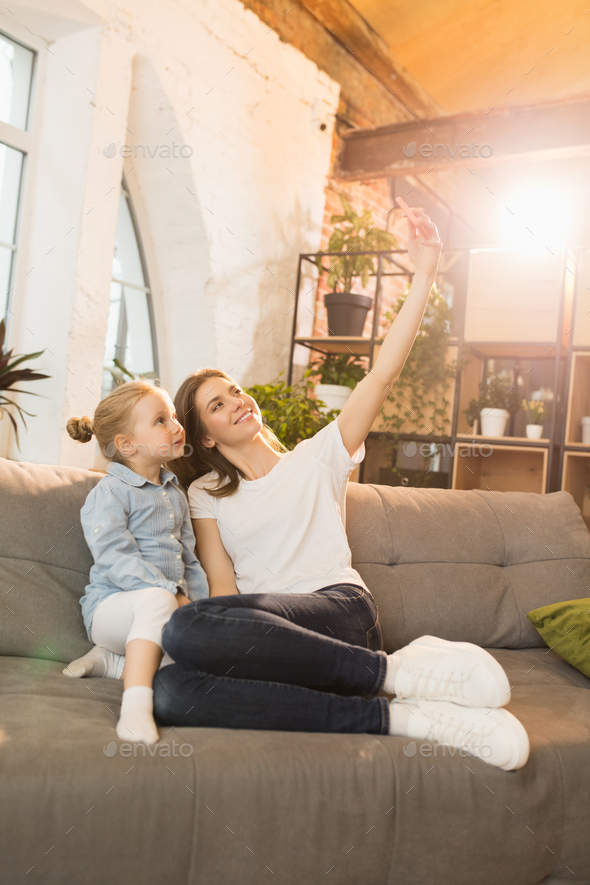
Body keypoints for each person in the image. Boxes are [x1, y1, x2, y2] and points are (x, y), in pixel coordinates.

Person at [153, 209, 530, 771]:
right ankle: (405, 716)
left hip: (340, 612)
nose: (238, 400)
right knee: (171, 694)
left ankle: (393, 672)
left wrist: (424, 275)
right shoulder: (204, 493)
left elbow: (379, 376)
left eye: (234, 390)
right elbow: (223, 592)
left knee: (185, 629)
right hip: (271, 635)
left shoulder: (318, 456)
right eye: (217, 403)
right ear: (204, 436)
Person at [63, 381, 209, 744]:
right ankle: (134, 707)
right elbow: (114, 558)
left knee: (200, 652)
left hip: (165, 608)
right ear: (127, 445)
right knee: (157, 601)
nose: (176, 425)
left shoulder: (175, 493)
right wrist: (169, 593)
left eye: (174, 416)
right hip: (110, 611)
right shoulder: (110, 493)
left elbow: (189, 558)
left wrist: (200, 610)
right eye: (161, 420)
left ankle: (114, 662)